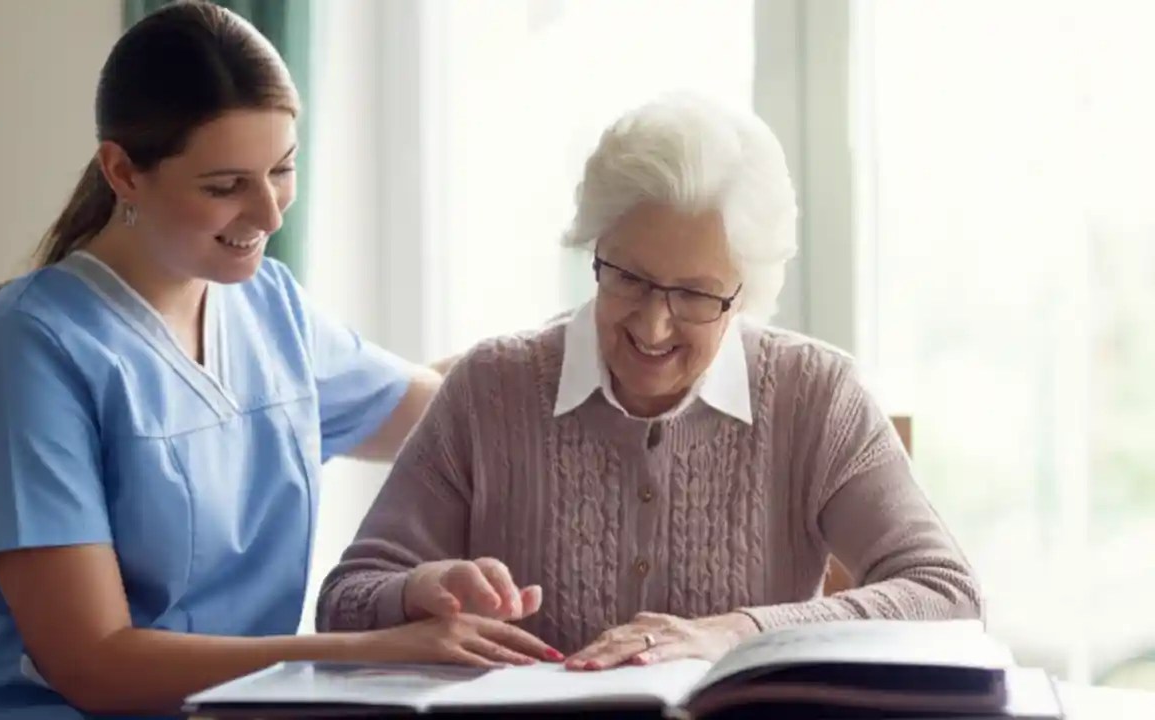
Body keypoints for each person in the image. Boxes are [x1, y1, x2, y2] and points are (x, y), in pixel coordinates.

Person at [0, 3, 554, 718]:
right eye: (226, 186)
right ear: (122, 170)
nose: (270, 214)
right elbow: (94, 664)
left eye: (283, 169)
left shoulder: (269, 307)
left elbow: (442, 410)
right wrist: (380, 646)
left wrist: (597, 344)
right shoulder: (27, 352)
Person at [317, 95, 984, 671]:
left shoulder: (816, 395)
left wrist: (737, 633)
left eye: (695, 294)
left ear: (746, 291)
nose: (654, 325)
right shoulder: (490, 387)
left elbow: (948, 597)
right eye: (629, 278)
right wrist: (420, 589)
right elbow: (343, 601)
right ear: (595, 247)